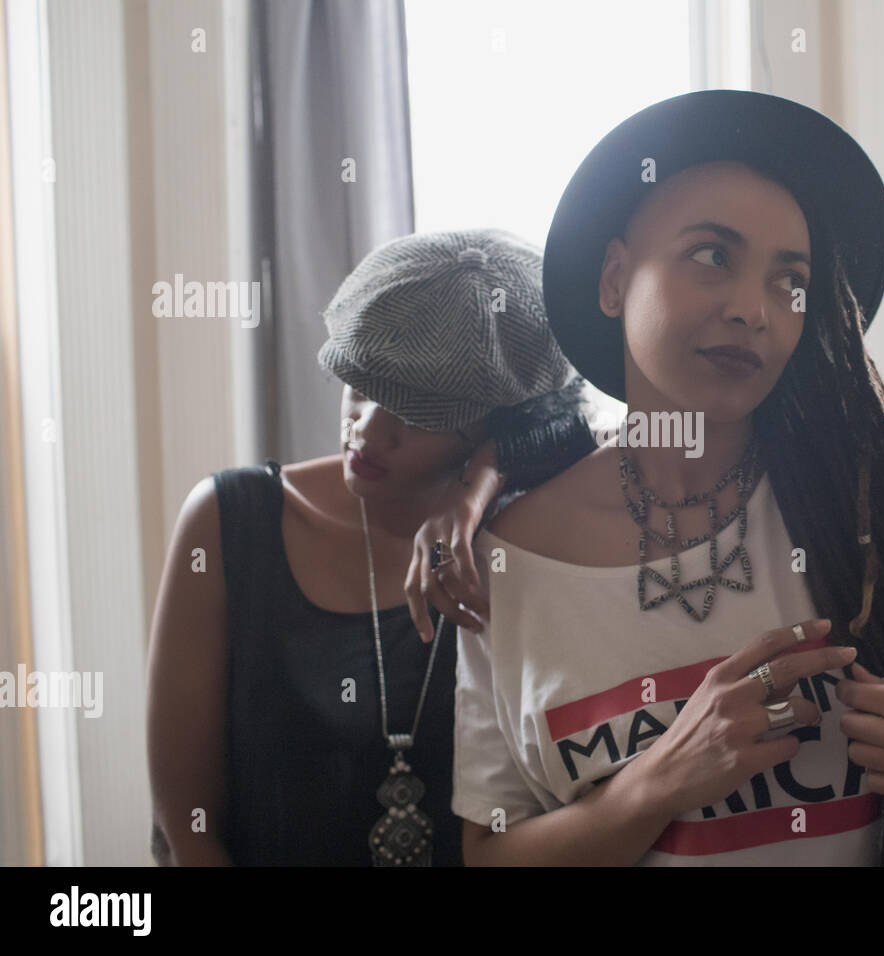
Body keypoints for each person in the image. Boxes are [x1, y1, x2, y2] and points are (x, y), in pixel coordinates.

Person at [450, 91, 884, 866]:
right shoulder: (507, 560)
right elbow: (491, 853)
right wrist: (654, 785)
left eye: (787, 280)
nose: (752, 309)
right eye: (712, 255)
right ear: (614, 279)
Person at [146, 229, 597, 866]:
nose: (368, 429)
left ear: (495, 426)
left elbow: (591, 431)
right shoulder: (230, 522)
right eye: (361, 388)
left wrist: (477, 487)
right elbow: (185, 831)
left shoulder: (523, 536)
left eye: (416, 414)